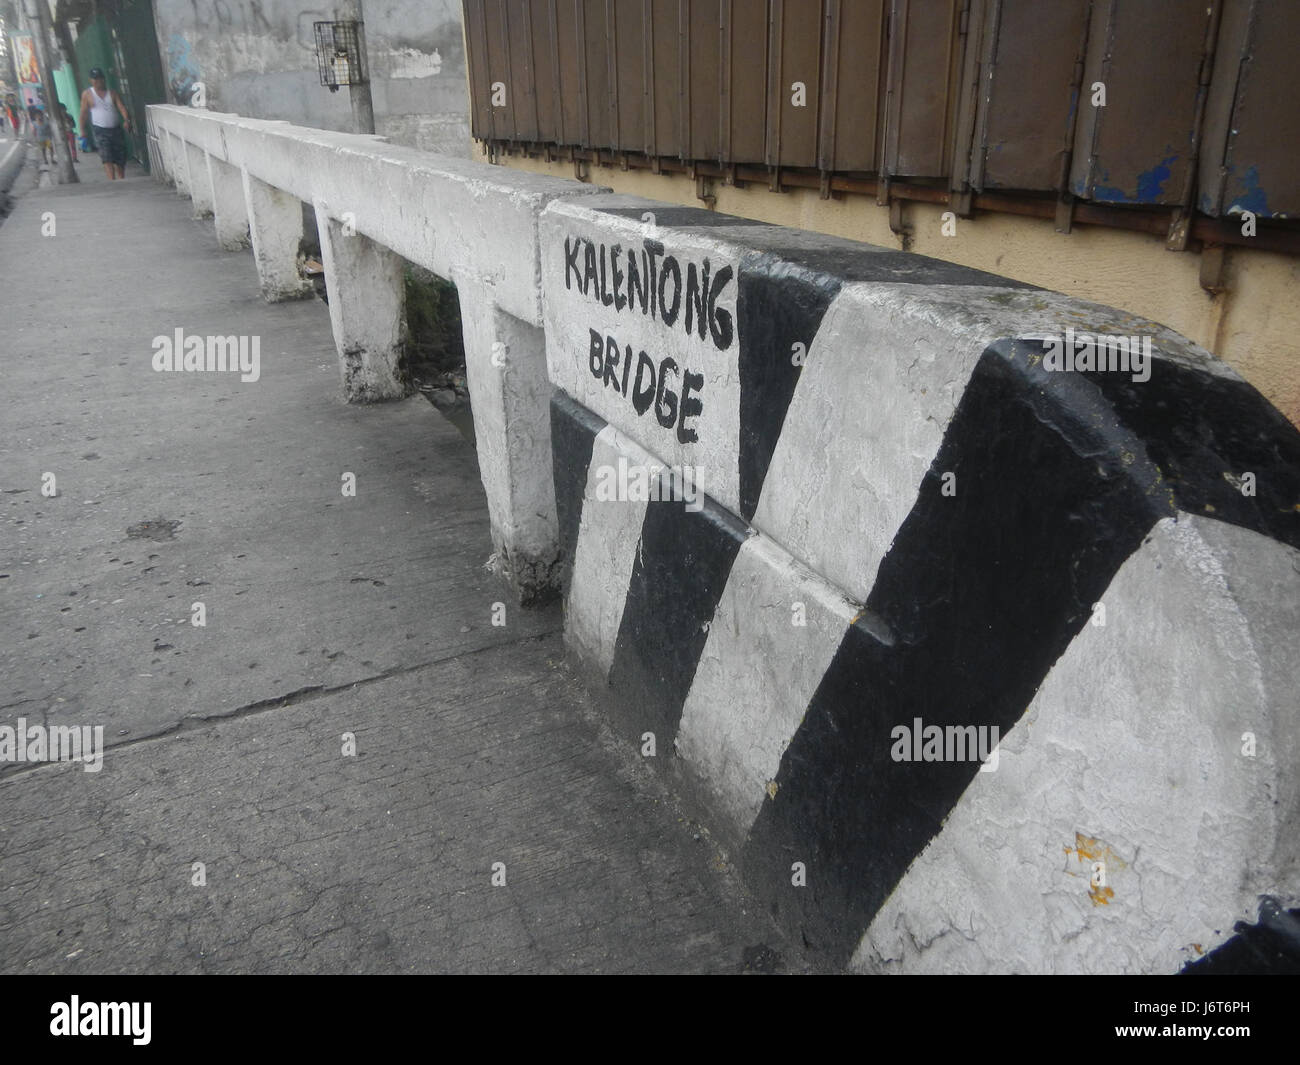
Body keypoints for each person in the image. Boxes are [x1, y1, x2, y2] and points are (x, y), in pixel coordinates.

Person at [79, 68, 132, 180]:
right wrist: (82, 130)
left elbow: (121, 107)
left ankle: (121, 178)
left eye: (100, 78)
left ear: (104, 79)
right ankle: (111, 180)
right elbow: (83, 113)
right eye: (95, 79)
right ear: (91, 80)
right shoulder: (87, 94)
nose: (98, 81)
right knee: (106, 157)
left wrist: (126, 120)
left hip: (115, 129)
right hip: (100, 130)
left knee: (120, 158)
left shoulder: (112, 93)